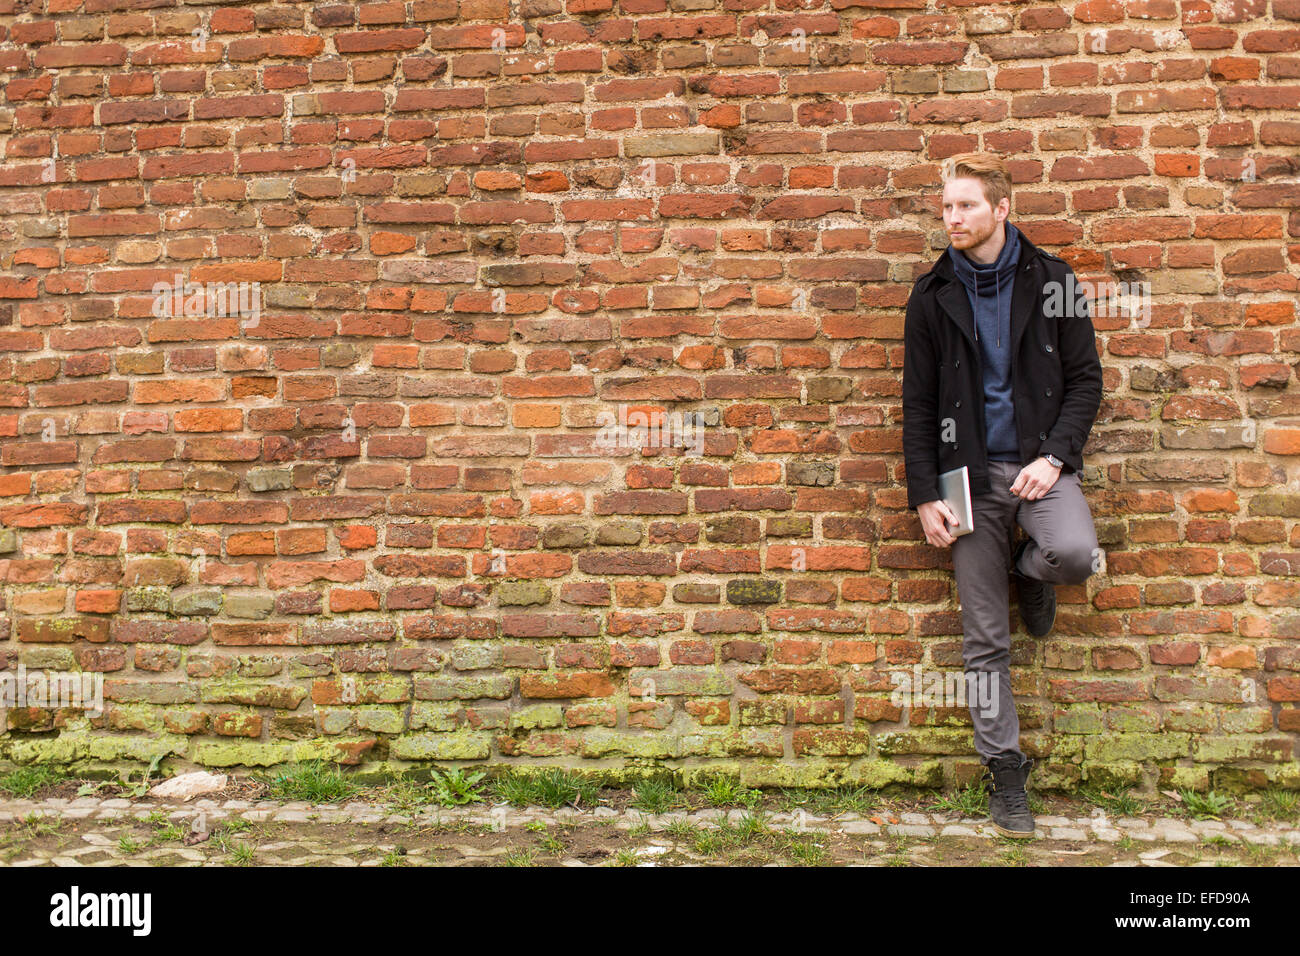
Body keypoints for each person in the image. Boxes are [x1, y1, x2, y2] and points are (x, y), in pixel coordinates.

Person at [901, 153, 1104, 838]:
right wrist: (925, 493)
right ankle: (1005, 771)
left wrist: (1054, 457)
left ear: (1000, 209)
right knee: (985, 638)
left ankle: (1031, 570)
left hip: (1040, 469)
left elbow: (1086, 382)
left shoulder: (1055, 280)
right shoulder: (931, 295)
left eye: (964, 206)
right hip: (969, 481)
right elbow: (918, 404)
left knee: (1074, 554)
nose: (951, 218)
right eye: (946, 207)